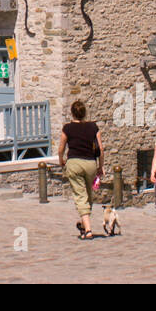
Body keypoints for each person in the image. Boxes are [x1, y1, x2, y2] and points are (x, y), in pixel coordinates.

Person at [58, 99, 104, 240]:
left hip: (74, 163)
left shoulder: (67, 128)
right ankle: (84, 226)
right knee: (88, 194)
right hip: (90, 163)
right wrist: (100, 166)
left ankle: (88, 230)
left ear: (72, 113)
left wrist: (61, 160)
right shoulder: (93, 127)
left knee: (80, 196)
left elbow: (61, 148)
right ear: (85, 113)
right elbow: (101, 149)